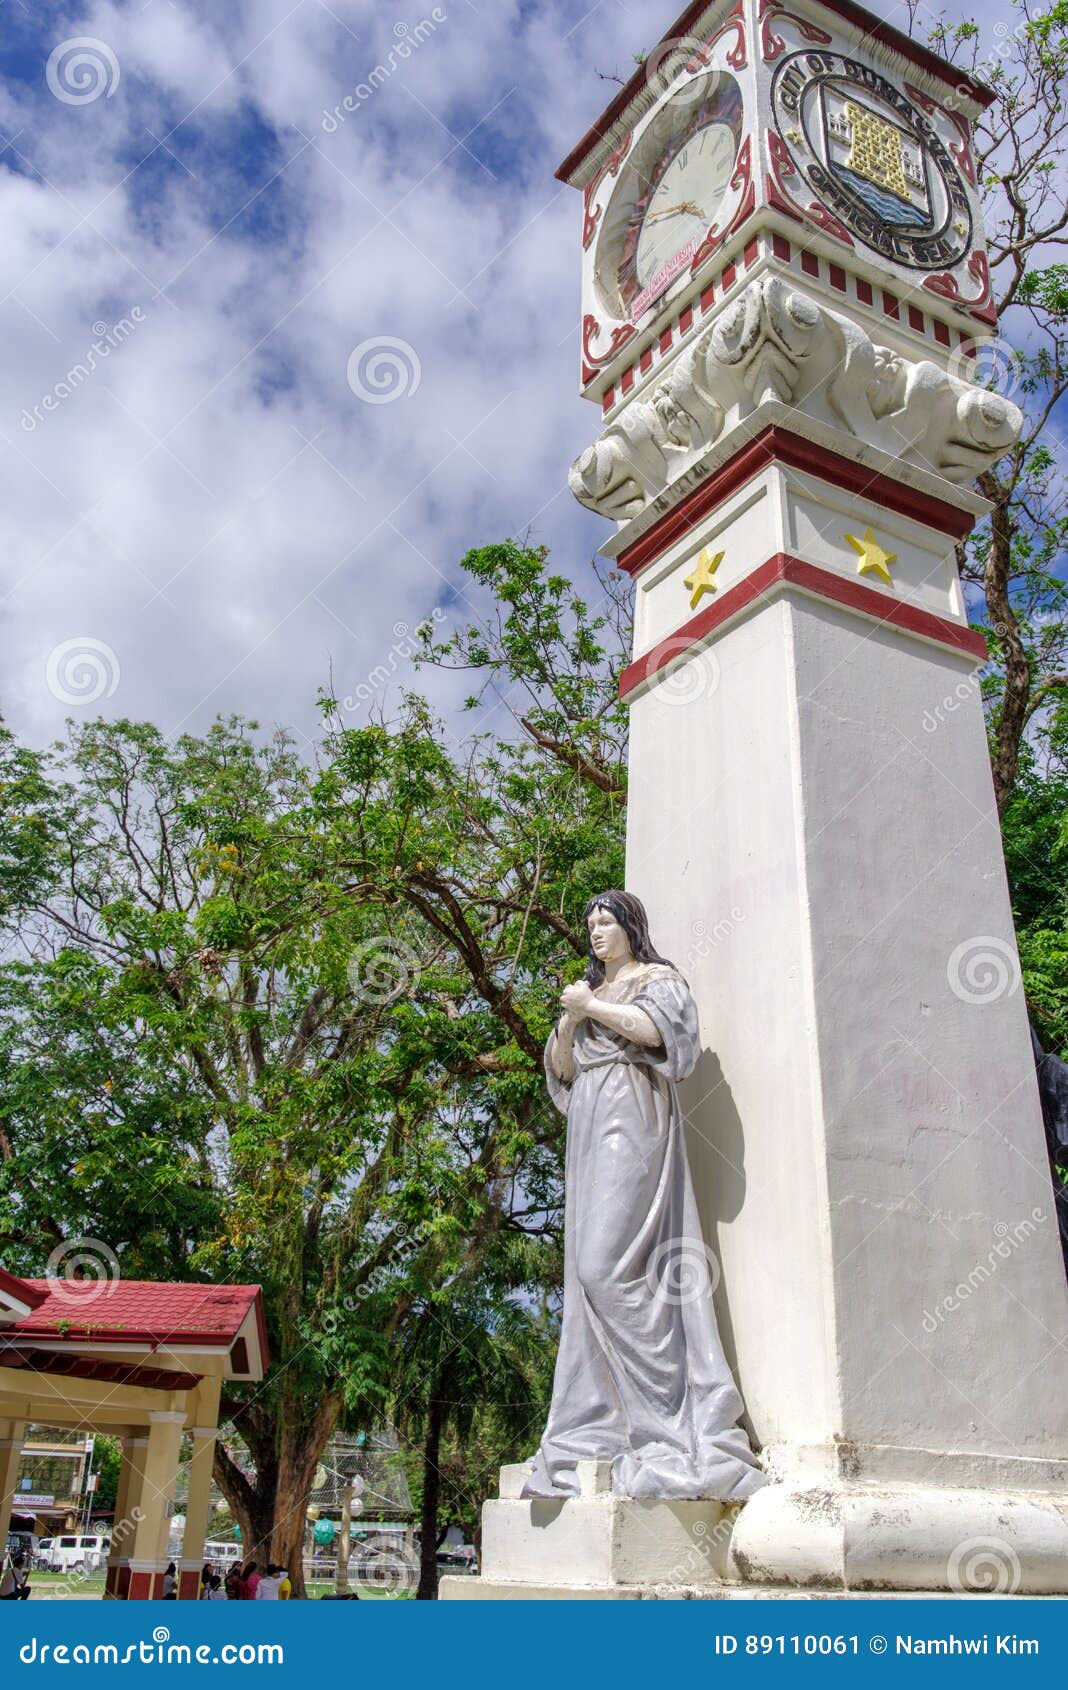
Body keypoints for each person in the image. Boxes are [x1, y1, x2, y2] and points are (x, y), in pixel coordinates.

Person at [523, 890, 767, 1502]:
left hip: (632, 1118)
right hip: (589, 1121)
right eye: (590, 924)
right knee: (585, 1282)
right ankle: (609, 1419)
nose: (596, 932)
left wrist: (592, 1009)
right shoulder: (589, 994)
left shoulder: (654, 979)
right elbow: (563, 1069)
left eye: (606, 922)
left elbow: (659, 1033)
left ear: (631, 927)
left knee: (602, 1268)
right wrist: (573, 1020)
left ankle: (668, 1414)